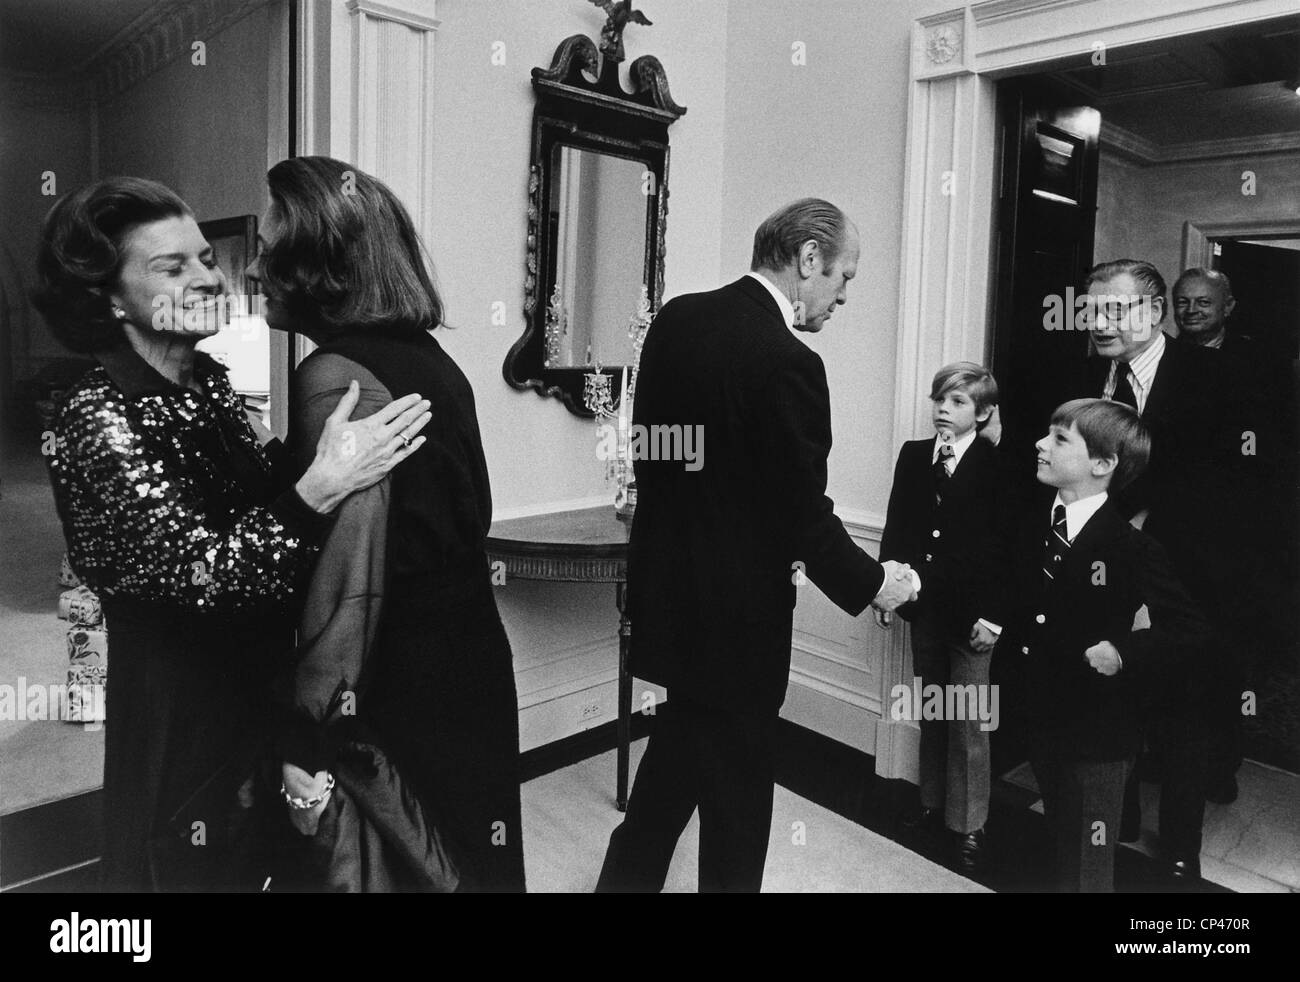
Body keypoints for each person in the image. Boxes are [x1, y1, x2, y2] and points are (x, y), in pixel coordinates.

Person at [35, 176, 432, 892]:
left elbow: (255, 516)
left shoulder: (209, 383)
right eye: (171, 266)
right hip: (180, 722)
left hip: (255, 699)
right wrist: (319, 486)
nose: (208, 276)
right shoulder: (94, 416)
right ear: (109, 298)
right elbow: (202, 577)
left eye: (205, 258)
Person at [595, 198, 918, 893]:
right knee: (739, 808)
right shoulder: (789, 361)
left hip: (673, 605)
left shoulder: (676, 318)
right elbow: (800, 512)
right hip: (739, 627)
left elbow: (659, 461)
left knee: (673, 772)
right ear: (807, 259)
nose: (843, 297)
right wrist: (874, 582)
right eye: (844, 278)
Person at [246, 156, 526, 892]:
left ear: (318, 261)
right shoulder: (431, 361)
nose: (251, 268)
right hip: (470, 670)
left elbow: (345, 604)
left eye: (267, 246)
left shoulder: (334, 379)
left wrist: (301, 744)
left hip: (398, 695)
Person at [1079, 258, 1246, 882]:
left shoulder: (1215, 375)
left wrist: (1152, 530)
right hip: (1101, 573)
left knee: (1185, 713)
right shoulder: (1085, 376)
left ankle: (1180, 846)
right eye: (1092, 309)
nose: (1098, 322)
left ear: (1153, 311)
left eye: (1115, 310)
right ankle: (1114, 823)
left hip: (1189, 575)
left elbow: (1236, 484)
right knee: (1109, 692)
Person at [1003, 399, 1206, 892]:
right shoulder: (1032, 523)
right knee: (1059, 837)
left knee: (1088, 864)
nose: (1040, 444)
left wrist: (1123, 652)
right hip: (1042, 721)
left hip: (1099, 735)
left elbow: (1190, 632)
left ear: (1103, 464)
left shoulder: (1131, 547)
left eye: (1059, 439)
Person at [877, 361, 1013, 875]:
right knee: (933, 708)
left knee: (970, 721)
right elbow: (897, 527)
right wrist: (886, 591)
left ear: (982, 413)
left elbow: (1011, 551)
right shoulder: (914, 457)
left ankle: (968, 824)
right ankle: (931, 805)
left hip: (975, 619)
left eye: (956, 402)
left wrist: (996, 618)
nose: (942, 410)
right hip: (924, 610)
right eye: (939, 399)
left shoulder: (999, 466)